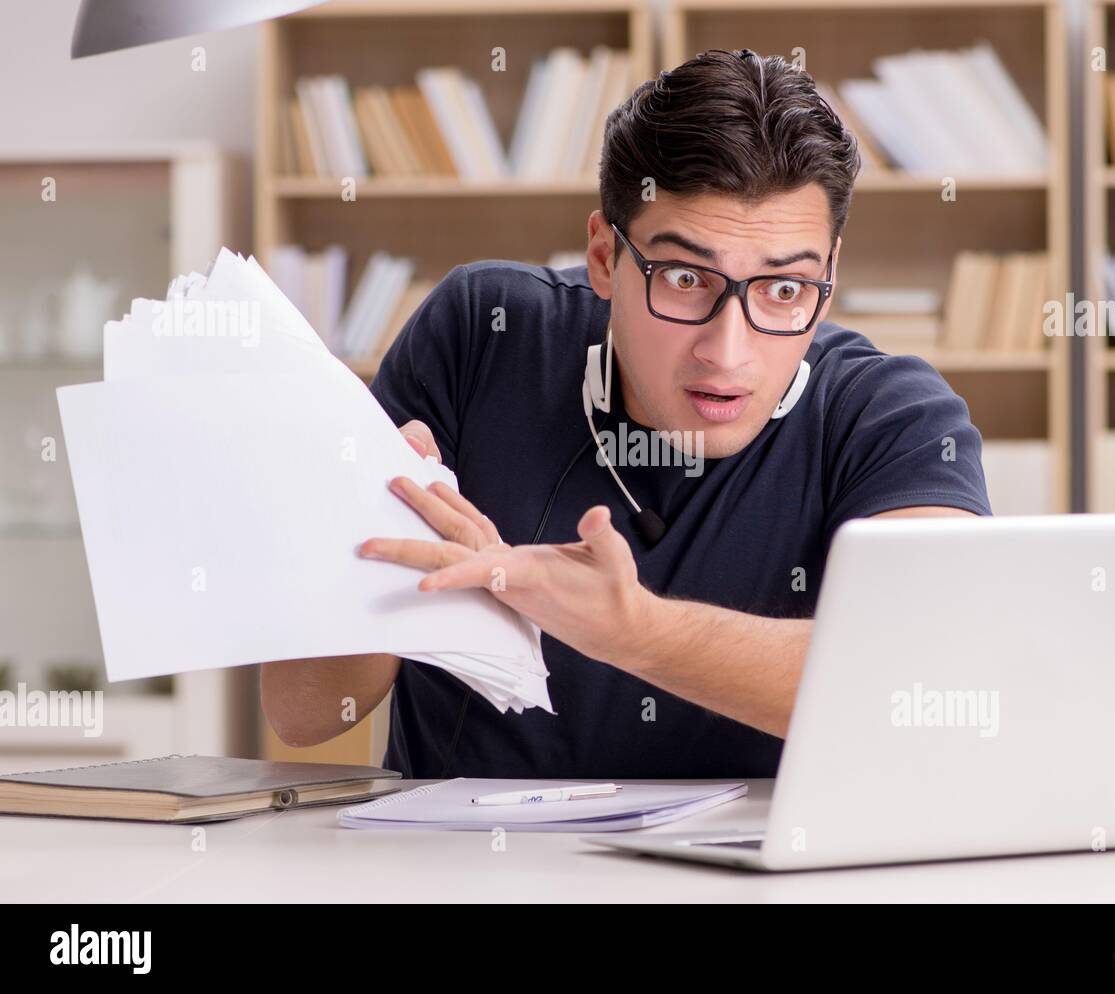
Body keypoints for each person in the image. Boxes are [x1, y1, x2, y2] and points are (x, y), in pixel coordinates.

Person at [261, 49, 991, 779]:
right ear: (605, 257)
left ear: (827, 283)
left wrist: (633, 631)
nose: (726, 350)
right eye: (683, 278)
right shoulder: (481, 332)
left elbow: (933, 680)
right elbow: (304, 716)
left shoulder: (892, 414)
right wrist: (392, 560)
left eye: (784, 289)